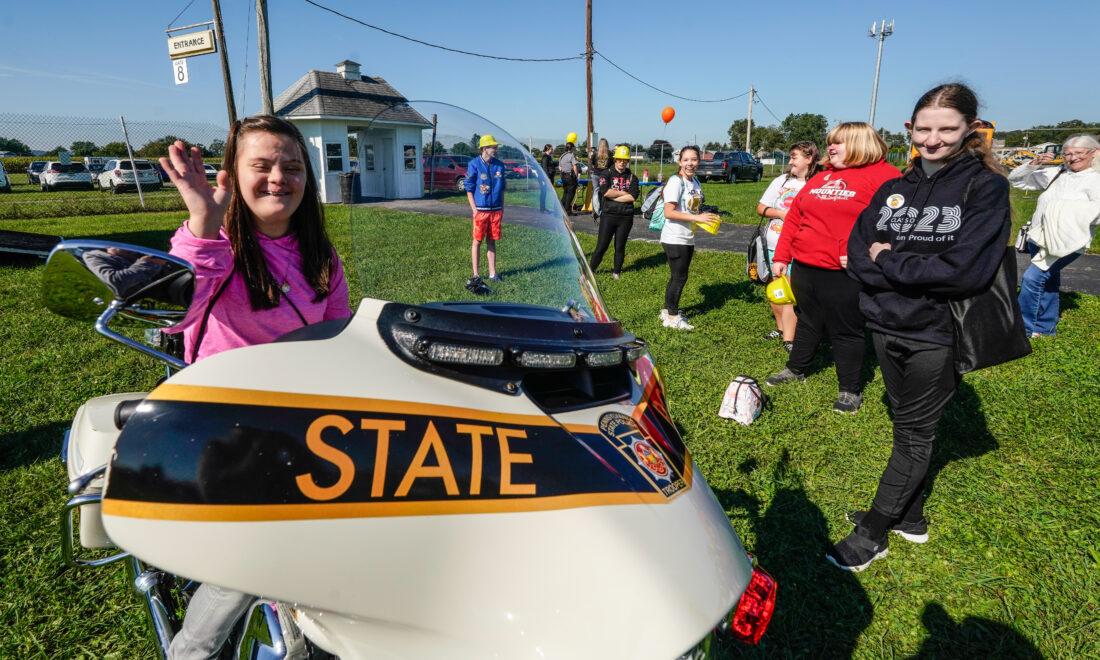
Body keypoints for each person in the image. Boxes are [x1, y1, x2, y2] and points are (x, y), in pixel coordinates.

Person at [157, 114, 350, 659]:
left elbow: (339, 336)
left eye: (291, 167)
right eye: (261, 165)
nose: (277, 178)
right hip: (222, 421)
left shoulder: (320, 255)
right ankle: (192, 651)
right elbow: (175, 313)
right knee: (252, 553)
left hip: (301, 424)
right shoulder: (214, 244)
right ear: (233, 174)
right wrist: (201, 220)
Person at [839, 83, 1012, 571]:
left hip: (937, 332)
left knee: (914, 434)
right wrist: (904, 266)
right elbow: (857, 255)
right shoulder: (894, 188)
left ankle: (873, 532)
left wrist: (891, 260)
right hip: (884, 324)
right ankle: (911, 517)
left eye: (947, 130)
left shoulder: (985, 188)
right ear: (910, 129)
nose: (933, 140)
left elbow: (965, 271)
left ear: (970, 130)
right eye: (925, 129)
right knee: (902, 423)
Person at [764, 123, 900, 413]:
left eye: (838, 142)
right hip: (805, 266)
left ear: (861, 143)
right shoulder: (822, 177)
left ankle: (849, 390)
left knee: (846, 329)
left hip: (845, 272)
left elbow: (897, 226)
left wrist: (866, 257)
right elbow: (795, 218)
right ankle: (796, 368)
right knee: (809, 319)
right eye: (830, 142)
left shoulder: (886, 177)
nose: (830, 148)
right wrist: (782, 257)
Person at [1008, 134, 1100, 336]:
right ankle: (1046, 327)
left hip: (1068, 241)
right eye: (1067, 154)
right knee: (1047, 281)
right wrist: (1034, 163)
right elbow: (1016, 181)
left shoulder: (1096, 180)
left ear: (1095, 153)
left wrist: (1064, 213)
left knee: (1033, 278)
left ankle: (1023, 329)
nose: (1071, 158)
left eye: (1078, 153)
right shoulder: (1058, 173)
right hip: (1038, 237)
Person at [756, 141, 823, 353]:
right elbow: (761, 208)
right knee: (776, 288)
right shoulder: (781, 181)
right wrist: (781, 214)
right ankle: (781, 328)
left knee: (791, 291)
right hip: (773, 243)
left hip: (800, 246)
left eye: (795, 157)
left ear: (809, 158)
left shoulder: (818, 183)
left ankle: (789, 339)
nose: (790, 161)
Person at [658, 145, 720, 330]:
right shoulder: (676, 182)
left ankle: (667, 310)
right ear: (680, 162)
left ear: (698, 162)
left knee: (677, 276)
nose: (690, 163)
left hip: (687, 235)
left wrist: (705, 216)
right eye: (686, 160)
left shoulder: (695, 182)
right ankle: (672, 317)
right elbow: (669, 212)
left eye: (693, 160)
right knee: (679, 277)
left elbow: (691, 208)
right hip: (674, 237)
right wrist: (696, 217)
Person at [464, 135, 507, 294]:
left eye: (496, 147)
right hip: (481, 211)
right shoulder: (474, 165)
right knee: (477, 241)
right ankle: (476, 274)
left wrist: (502, 208)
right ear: (484, 149)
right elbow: (469, 188)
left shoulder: (500, 166)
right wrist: (474, 209)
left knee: (492, 241)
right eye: (493, 147)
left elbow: (502, 188)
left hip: (495, 210)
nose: (496, 150)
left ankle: (492, 273)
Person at [589, 145, 640, 280]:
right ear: (615, 159)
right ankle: (589, 272)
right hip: (608, 215)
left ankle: (616, 273)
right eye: (619, 159)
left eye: (624, 160)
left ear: (627, 161)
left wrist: (614, 196)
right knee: (601, 246)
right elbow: (605, 192)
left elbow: (633, 197)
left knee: (620, 246)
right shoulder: (606, 173)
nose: (621, 162)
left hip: (626, 217)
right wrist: (623, 193)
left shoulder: (632, 177)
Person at [559, 140, 580, 216]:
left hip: (563, 175)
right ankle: (567, 210)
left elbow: (560, 167)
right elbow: (575, 166)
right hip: (570, 176)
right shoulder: (572, 155)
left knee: (565, 192)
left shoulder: (562, 155)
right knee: (571, 193)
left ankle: (561, 207)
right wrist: (576, 176)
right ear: (572, 148)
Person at [539, 143, 555, 213]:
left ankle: (544, 208)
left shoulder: (549, 157)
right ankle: (542, 208)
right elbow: (545, 168)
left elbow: (552, 164)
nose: (552, 150)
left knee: (546, 193)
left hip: (550, 177)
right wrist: (547, 178)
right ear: (548, 149)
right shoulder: (545, 157)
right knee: (544, 193)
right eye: (551, 149)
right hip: (544, 178)